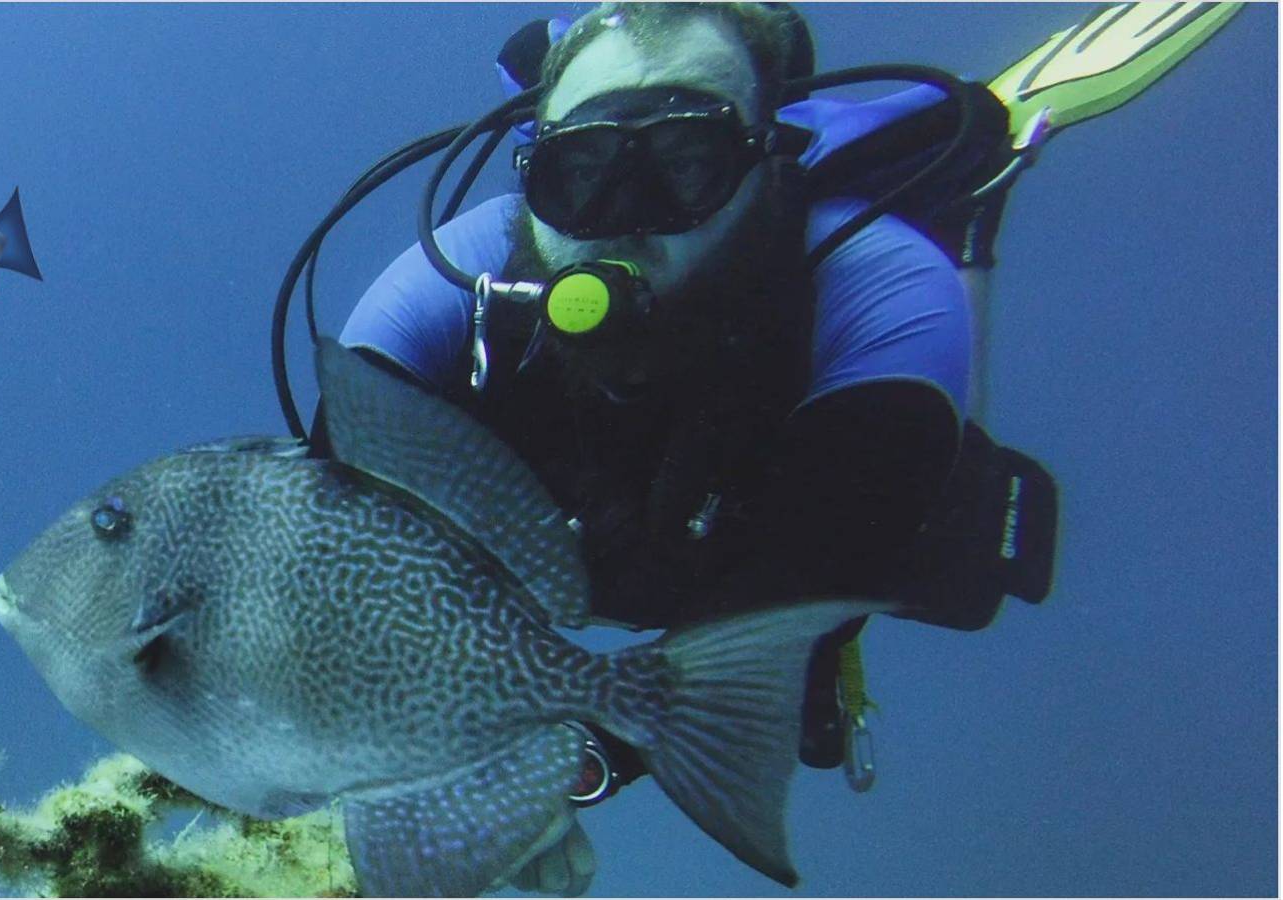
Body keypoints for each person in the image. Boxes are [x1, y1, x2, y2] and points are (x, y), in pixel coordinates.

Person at [308, 2, 1235, 893]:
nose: (625, 214)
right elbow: (332, 557)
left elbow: (812, 574)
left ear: (763, 162)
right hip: (574, 529)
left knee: (934, 553)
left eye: (684, 161)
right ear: (532, 172)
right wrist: (428, 760)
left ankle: (988, 157)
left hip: (771, 527)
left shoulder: (885, 290)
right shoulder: (444, 285)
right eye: (581, 170)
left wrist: (581, 764)